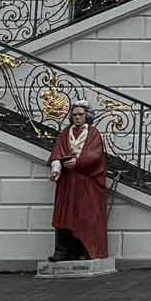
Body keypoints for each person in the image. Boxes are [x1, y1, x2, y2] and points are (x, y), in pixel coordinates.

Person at [48, 103, 110, 263]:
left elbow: (95, 155)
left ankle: (84, 250)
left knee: (84, 217)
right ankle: (61, 251)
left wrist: (78, 162)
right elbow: (57, 152)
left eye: (80, 114)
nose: (77, 117)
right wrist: (56, 167)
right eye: (74, 115)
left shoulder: (94, 134)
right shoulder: (64, 133)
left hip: (85, 183)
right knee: (63, 216)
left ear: (87, 116)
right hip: (67, 182)